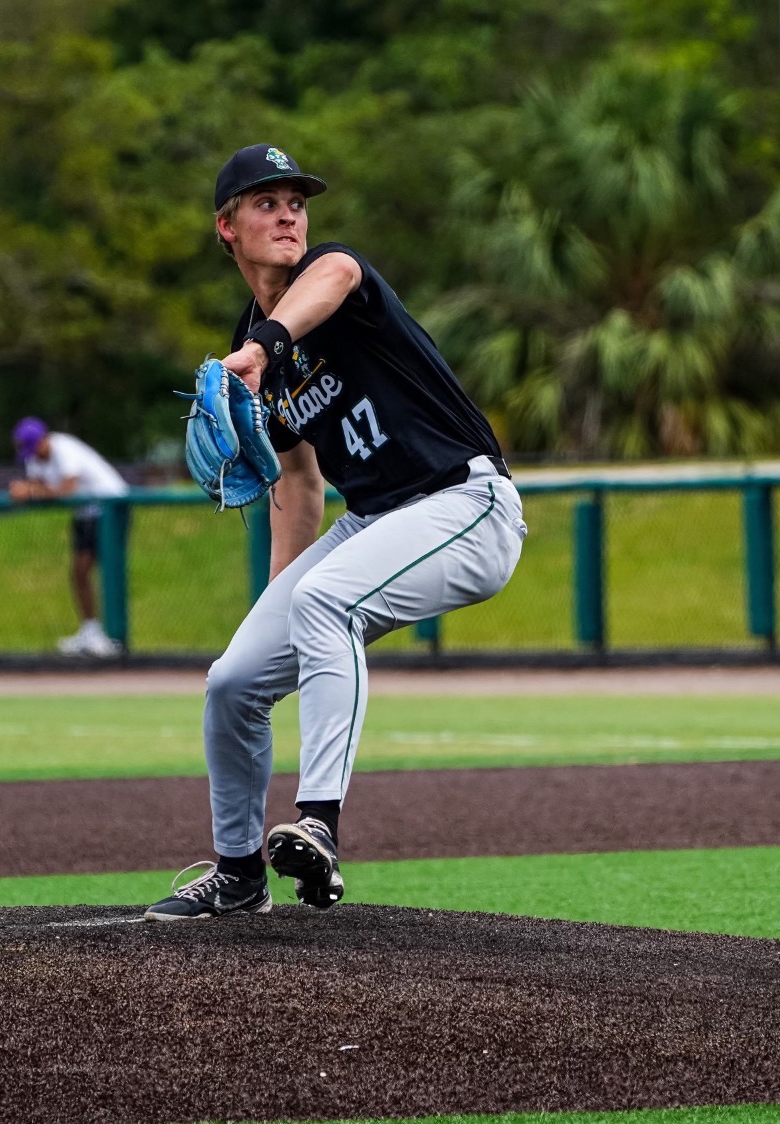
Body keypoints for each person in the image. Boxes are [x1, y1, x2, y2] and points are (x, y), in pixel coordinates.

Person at [144, 144, 526, 921]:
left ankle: (320, 824)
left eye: (296, 200)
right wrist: (275, 603)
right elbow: (297, 482)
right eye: (265, 201)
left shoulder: (326, 282)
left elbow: (337, 277)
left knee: (326, 603)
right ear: (226, 228)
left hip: (465, 505)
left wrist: (260, 351)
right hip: (377, 521)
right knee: (235, 681)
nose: (287, 212)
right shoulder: (256, 339)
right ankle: (238, 872)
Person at [8, 418, 131, 658]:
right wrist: (23, 489)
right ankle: (91, 632)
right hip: (86, 512)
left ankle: (114, 639)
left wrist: (31, 491)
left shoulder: (64, 448)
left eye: (34, 448)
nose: (33, 455)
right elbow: (39, 486)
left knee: (110, 573)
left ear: (44, 439)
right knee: (79, 572)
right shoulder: (34, 459)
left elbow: (67, 489)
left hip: (111, 508)